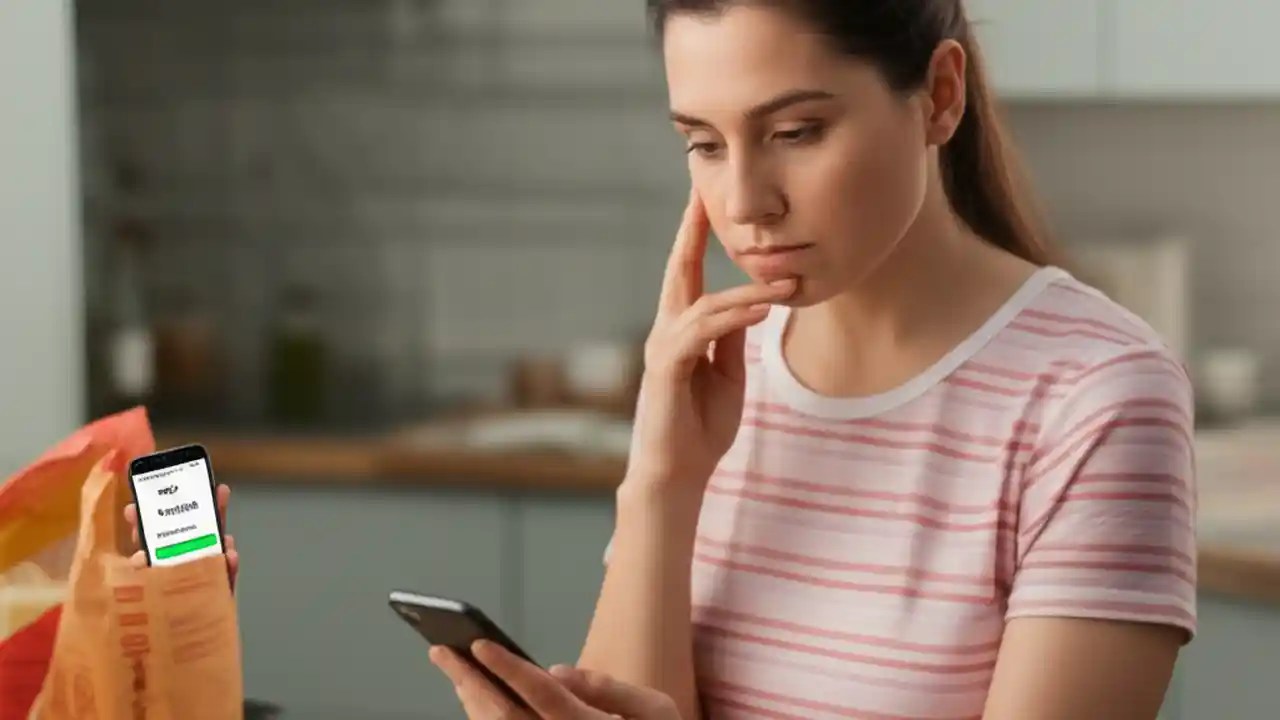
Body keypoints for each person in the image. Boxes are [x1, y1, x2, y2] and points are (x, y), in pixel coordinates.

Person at [132, 1, 1197, 717]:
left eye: (795, 131)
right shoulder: (724, 379)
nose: (745, 202)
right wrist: (661, 480)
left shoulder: (1096, 397)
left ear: (941, 95)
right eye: (703, 142)